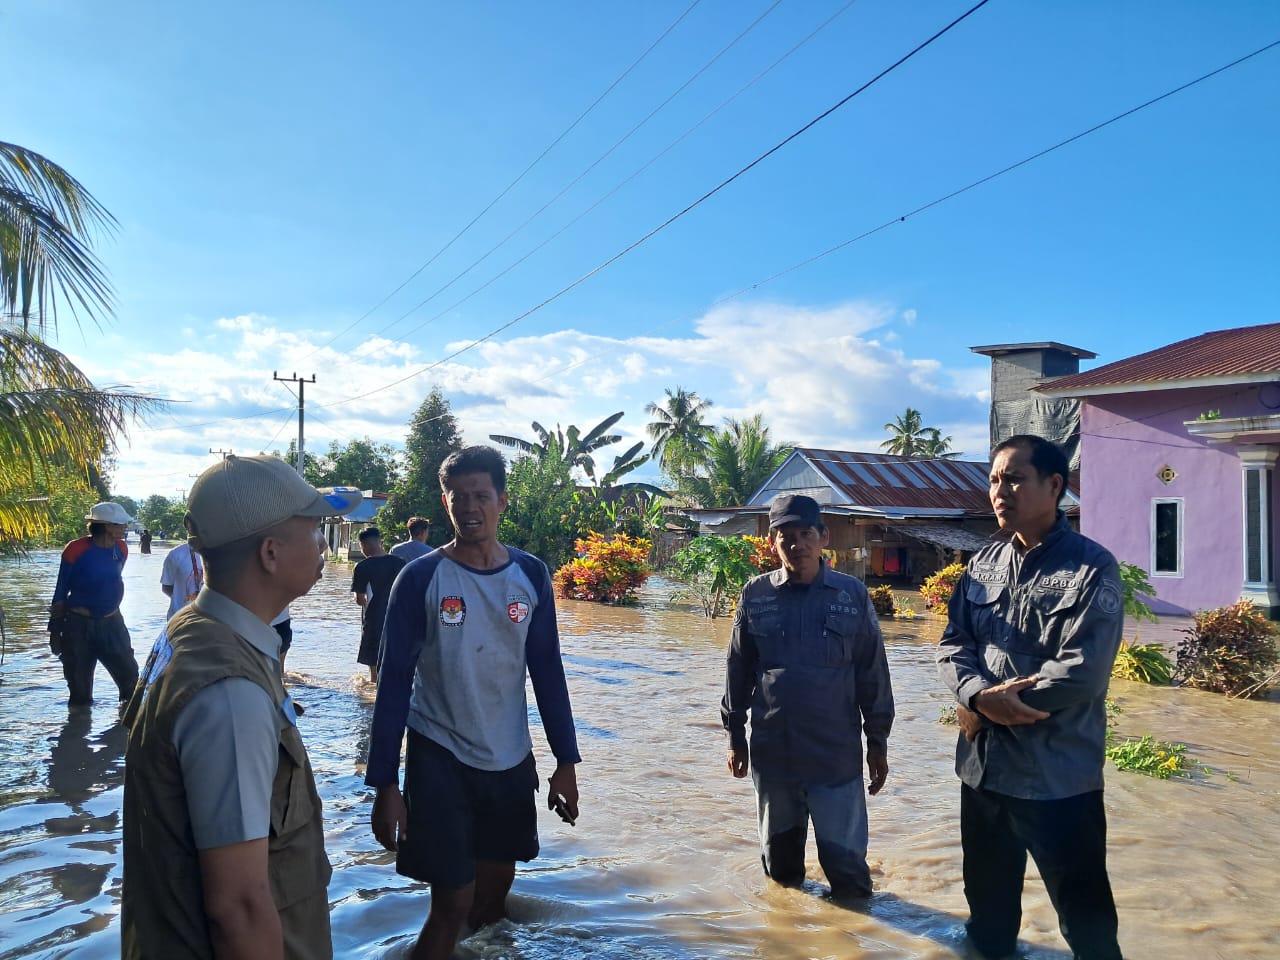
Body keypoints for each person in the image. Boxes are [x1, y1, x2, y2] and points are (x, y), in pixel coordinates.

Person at [120, 454, 359, 960]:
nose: (323, 544)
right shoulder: (231, 692)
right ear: (271, 552)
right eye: (315, 529)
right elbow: (240, 909)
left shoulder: (190, 630)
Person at [367, 446, 581, 960]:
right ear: (446, 503)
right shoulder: (419, 579)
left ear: (502, 501)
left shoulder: (530, 576)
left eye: (480, 495)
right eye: (458, 497)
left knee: (493, 897)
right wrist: (385, 785)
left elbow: (548, 673)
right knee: (450, 905)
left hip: (508, 759)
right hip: (439, 754)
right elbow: (394, 684)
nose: (469, 507)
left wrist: (566, 763)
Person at [937, 434, 1125, 960]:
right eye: (995, 480)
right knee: (989, 924)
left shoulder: (1092, 568)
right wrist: (976, 695)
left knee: (1088, 927)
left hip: (1058, 779)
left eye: (1014, 478)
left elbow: (1083, 671)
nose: (1000, 491)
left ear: (1055, 485)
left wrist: (993, 708)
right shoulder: (982, 563)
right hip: (984, 775)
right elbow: (954, 643)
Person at [722, 494, 894, 899]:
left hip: (834, 756)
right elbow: (737, 670)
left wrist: (878, 744)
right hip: (773, 754)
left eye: (805, 533)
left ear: (823, 537)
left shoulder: (851, 595)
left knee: (849, 876)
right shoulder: (755, 595)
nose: (796, 543)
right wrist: (734, 736)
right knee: (782, 878)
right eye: (785, 535)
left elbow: (873, 673)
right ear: (771, 542)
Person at [47, 502, 140, 708]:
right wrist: (55, 631)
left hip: (112, 623)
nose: (125, 529)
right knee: (79, 688)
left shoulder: (121, 549)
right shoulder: (75, 549)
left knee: (131, 680)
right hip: (78, 625)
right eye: (121, 525)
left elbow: (113, 580)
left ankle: (124, 731)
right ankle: (77, 733)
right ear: (107, 526)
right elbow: (61, 590)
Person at [350, 527, 405, 684]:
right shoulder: (400, 563)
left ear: (364, 546)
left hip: (374, 619)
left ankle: (373, 690)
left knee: (374, 674)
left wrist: (358, 598)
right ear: (380, 542)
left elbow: (361, 599)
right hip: (398, 618)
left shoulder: (362, 567)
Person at [159, 540, 204, 619]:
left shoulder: (220, 554)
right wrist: (186, 599)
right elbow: (166, 587)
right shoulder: (176, 555)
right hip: (179, 620)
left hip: (209, 621)